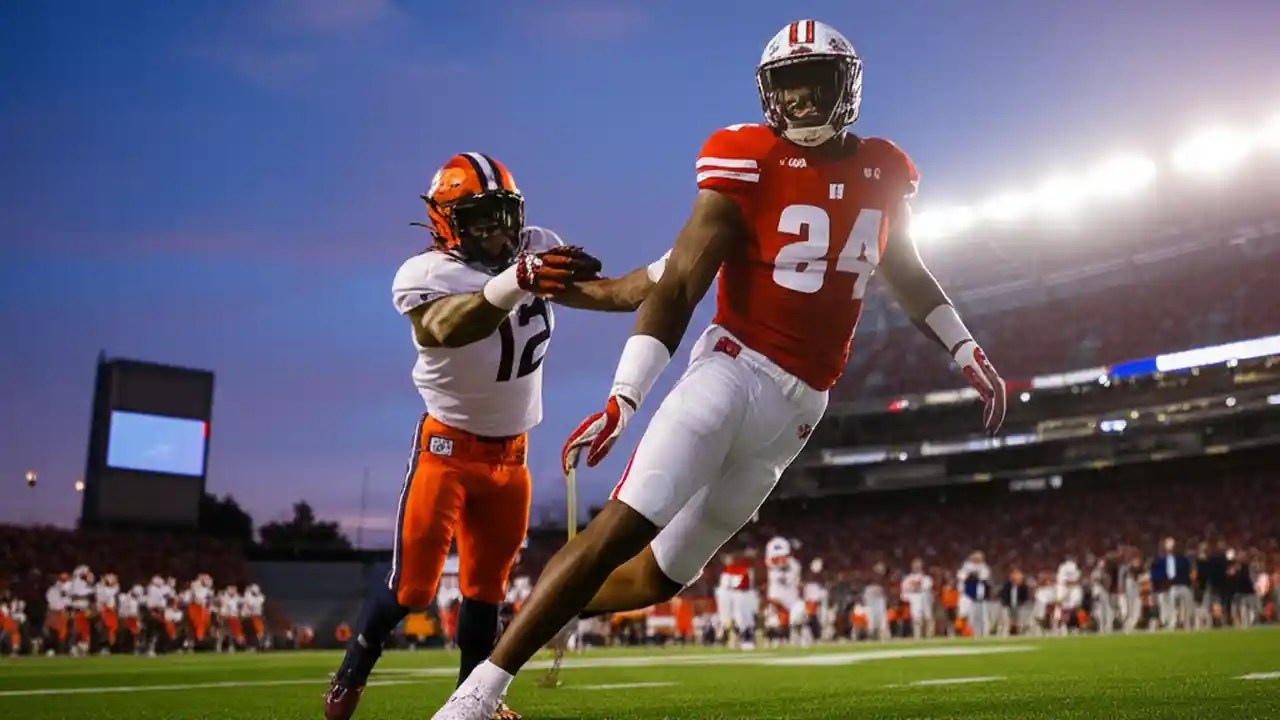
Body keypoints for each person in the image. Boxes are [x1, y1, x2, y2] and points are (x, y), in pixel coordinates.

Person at [432, 19, 1006, 718]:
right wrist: (625, 397)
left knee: (658, 578)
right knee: (622, 528)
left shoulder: (885, 169)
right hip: (733, 373)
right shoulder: (744, 160)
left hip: (800, 410)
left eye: (813, 85)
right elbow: (675, 288)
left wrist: (965, 348)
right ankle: (475, 697)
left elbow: (905, 268)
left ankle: (542, 613)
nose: (799, 103)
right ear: (769, 95)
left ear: (846, 88)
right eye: (787, 89)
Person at [324, 152, 665, 720]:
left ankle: (471, 702)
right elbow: (443, 330)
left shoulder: (533, 250)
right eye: (477, 219)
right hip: (446, 451)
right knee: (412, 590)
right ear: (445, 224)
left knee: (486, 593)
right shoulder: (424, 274)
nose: (496, 230)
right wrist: (512, 284)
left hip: (513, 455)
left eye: (502, 214)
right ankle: (354, 665)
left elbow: (610, 294)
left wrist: (670, 267)